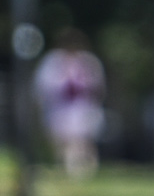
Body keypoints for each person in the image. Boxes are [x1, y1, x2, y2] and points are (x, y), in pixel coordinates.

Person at [35, 30, 106, 178]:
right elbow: (44, 87)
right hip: (59, 109)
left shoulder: (88, 61)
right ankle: (65, 170)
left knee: (81, 143)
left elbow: (97, 86)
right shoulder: (53, 61)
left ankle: (82, 172)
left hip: (82, 108)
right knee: (62, 143)